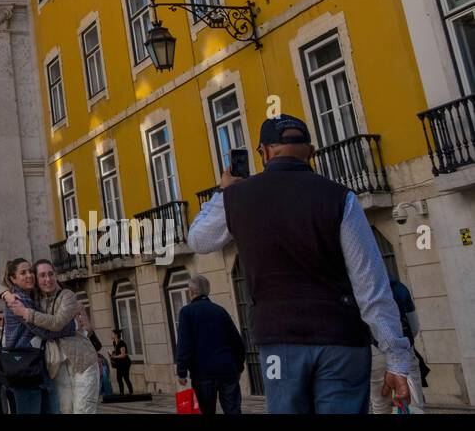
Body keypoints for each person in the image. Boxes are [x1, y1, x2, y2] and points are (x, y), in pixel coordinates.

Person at [189, 114, 415, 414]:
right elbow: (371, 284)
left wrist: (224, 193)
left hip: (279, 340)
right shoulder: (341, 199)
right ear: (310, 152)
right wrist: (397, 358)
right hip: (341, 340)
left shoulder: (238, 199)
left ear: (265, 153)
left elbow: (199, 240)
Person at [3, 260, 99, 413]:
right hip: (53, 365)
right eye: (42, 275)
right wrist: (5, 293)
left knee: (83, 409)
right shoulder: (32, 299)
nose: (47, 279)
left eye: (50, 274)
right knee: (65, 410)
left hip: (82, 361)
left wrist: (27, 313)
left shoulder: (67, 295)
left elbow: (57, 323)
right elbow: (46, 333)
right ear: (37, 279)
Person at [174, 274, 245, 415]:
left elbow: (184, 343)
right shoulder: (220, 311)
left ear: (192, 291)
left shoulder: (187, 312)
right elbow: (237, 342)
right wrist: (239, 367)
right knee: (233, 411)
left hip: (203, 374)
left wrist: (182, 371)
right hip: (227, 370)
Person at [0, 257, 50, 413]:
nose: (29, 275)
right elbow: (42, 331)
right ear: (13, 279)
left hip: (30, 364)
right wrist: (63, 327)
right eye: (23, 273)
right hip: (25, 365)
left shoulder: (27, 296)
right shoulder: (18, 300)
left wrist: (4, 292)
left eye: (30, 271)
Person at [369, 278, 426, 414]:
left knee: (381, 405)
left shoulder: (358, 285)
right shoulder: (399, 287)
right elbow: (414, 327)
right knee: (413, 403)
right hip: (404, 348)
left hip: (374, 349)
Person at [110, 330, 132, 395]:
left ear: (116, 335)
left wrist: (115, 357)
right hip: (119, 363)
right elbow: (117, 352)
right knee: (119, 378)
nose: (111, 335)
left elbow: (123, 355)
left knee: (126, 378)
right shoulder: (114, 342)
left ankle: (131, 393)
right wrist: (112, 355)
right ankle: (121, 393)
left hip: (125, 363)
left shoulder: (121, 343)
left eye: (112, 334)